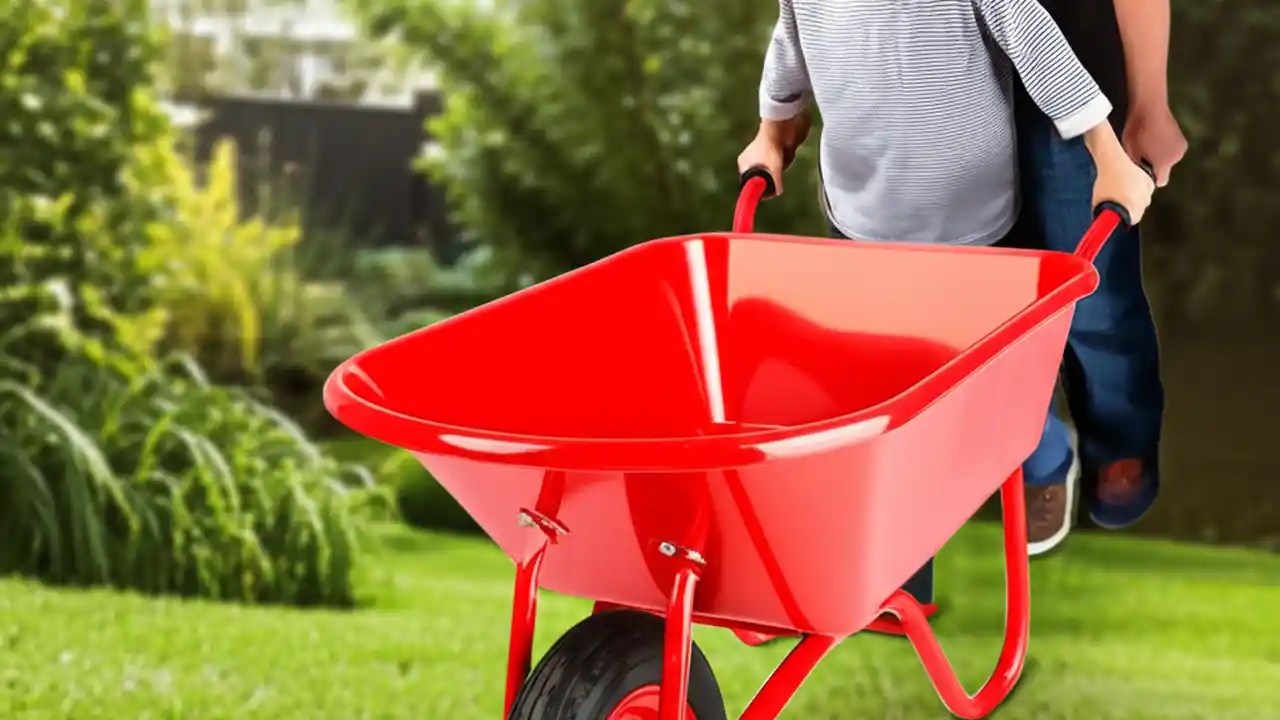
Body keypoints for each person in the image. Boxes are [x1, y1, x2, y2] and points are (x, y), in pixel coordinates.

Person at [737, 0, 1158, 604]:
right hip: (861, 217)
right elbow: (792, 40)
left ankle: (1044, 455)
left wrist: (1106, 153)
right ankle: (896, 581)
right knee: (886, 399)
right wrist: (773, 130)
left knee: (976, 392)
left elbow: (1033, 40)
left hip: (972, 225)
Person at [1013, 0, 1187, 556]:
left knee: (1094, 295)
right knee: (989, 298)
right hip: (943, 81)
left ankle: (1117, 433)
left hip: (1077, 75)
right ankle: (1035, 447)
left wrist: (1150, 103)